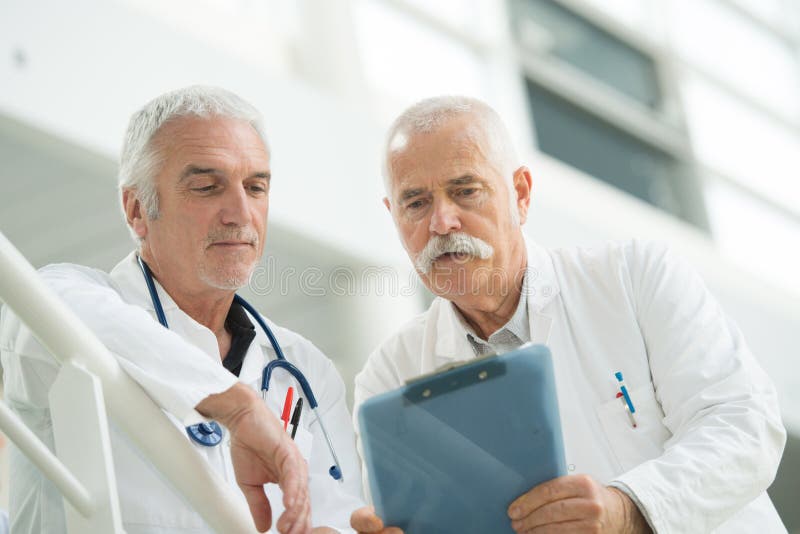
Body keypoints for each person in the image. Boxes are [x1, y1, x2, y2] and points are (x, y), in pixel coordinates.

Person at [349, 96, 787, 533]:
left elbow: (746, 425)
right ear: (393, 215)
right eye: (416, 203)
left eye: (465, 191)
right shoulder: (389, 377)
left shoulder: (634, 277)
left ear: (520, 195)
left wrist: (627, 508)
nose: (442, 221)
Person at [0, 86, 364, 533]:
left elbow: (340, 513)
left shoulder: (305, 368)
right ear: (137, 210)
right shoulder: (78, 301)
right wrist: (238, 407)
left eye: (256, 187)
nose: (240, 213)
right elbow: (42, 306)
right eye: (207, 187)